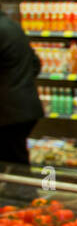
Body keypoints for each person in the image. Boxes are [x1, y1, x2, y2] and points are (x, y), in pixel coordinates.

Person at [0, 10, 43, 167]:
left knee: (13, 163)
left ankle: (23, 191)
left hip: (7, 113)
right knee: (16, 159)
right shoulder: (12, 25)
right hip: (25, 107)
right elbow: (35, 64)